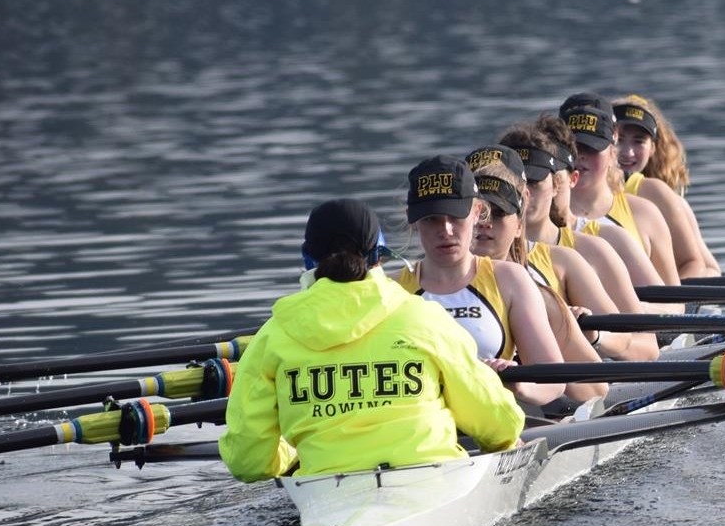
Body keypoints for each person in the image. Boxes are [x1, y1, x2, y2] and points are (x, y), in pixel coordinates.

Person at [220, 198, 524, 482]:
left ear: (306, 258)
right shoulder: (425, 319)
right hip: (432, 478)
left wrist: (291, 453)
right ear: (380, 255)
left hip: (325, 488)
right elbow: (500, 426)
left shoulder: (272, 336)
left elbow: (250, 463)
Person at [394, 154, 569, 409]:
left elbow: (554, 382)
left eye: (455, 216)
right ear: (412, 219)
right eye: (432, 219)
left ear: (477, 212)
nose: (446, 230)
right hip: (421, 433)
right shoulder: (391, 290)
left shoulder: (509, 280)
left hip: (496, 428)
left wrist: (520, 385)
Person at [498, 123, 661, 360]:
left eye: (533, 183)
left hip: (579, 385)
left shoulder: (591, 251)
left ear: (556, 185)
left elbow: (646, 348)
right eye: (512, 185)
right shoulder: (471, 258)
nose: (523, 195)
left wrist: (596, 337)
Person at [465, 151, 611, 402]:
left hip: (535, 422)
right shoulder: (422, 288)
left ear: (519, 225)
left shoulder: (539, 298)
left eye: (497, 214)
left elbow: (596, 390)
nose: (485, 224)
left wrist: (525, 384)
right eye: (478, 214)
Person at [558, 92, 684, 286]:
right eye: (573, 147)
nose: (580, 157)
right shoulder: (535, 215)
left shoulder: (646, 213)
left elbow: (675, 305)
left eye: (590, 147)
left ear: (612, 145)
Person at [612, 94, 721, 278]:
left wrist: (670, 305)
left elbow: (707, 269)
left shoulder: (664, 197)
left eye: (638, 141)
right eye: (619, 140)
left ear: (653, 149)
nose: (627, 152)